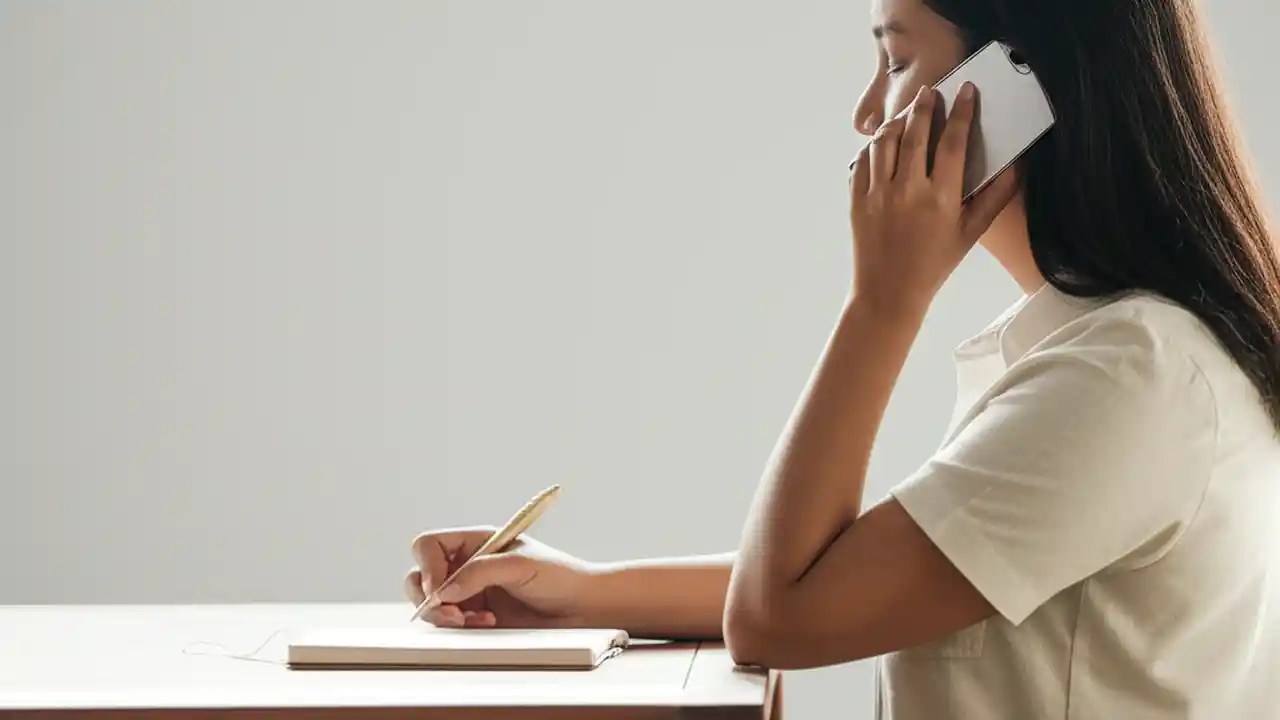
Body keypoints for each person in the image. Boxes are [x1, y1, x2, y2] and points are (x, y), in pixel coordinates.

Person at [404, 0, 1280, 716]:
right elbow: (854, 579)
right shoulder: (1107, 350)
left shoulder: (1131, 377)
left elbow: (778, 618)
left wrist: (883, 303)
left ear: (1017, 89)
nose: (868, 113)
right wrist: (586, 593)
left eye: (895, 61)